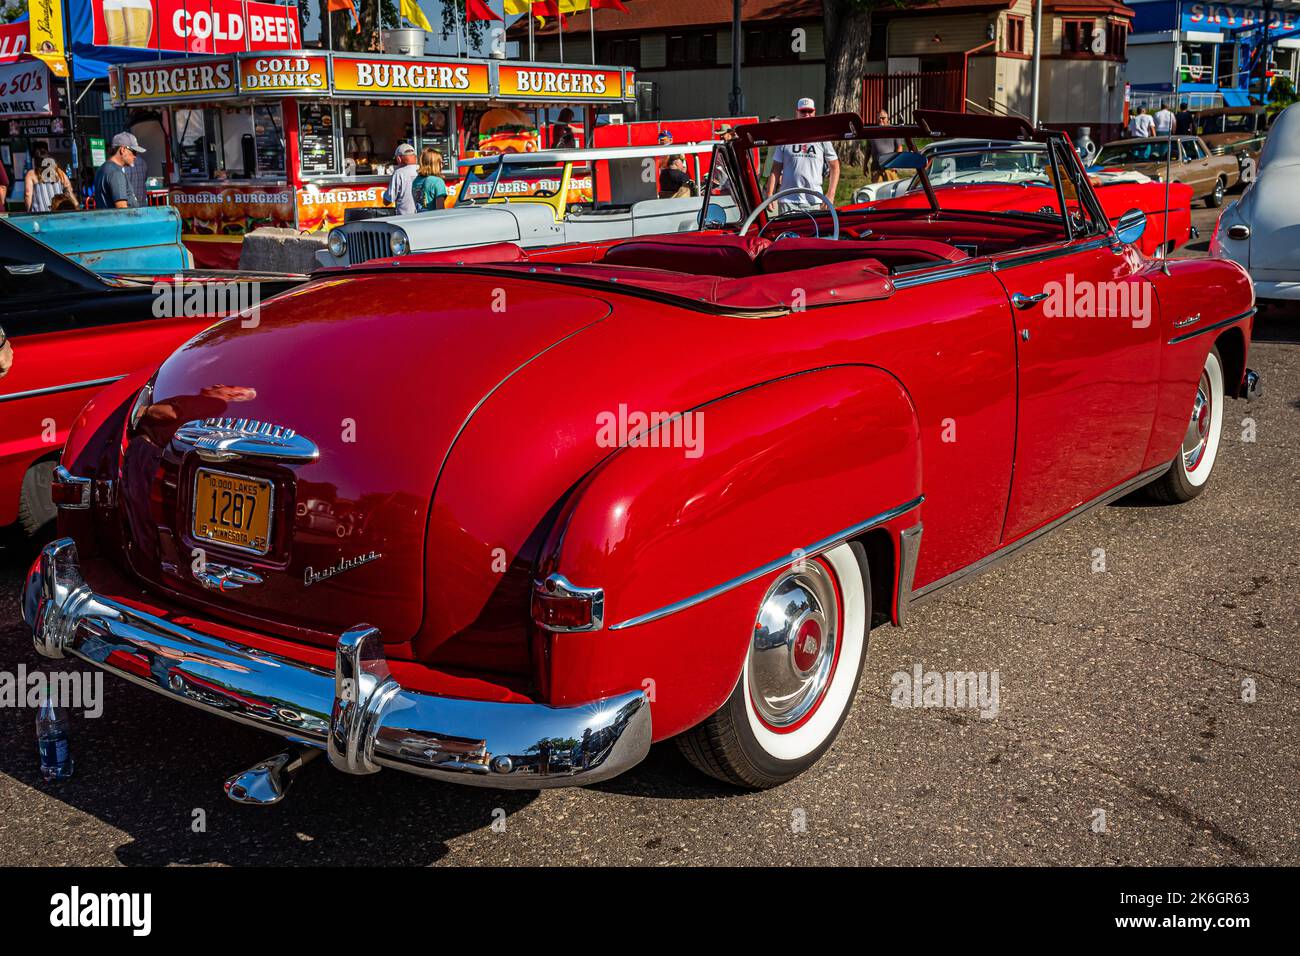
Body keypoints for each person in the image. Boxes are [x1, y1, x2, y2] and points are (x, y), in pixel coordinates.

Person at [765, 97, 840, 209]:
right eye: (803, 111)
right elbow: (776, 168)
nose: (807, 114)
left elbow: (835, 167)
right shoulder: (786, 136)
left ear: (814, 112)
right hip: (787, 201)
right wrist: (769, 194)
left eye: (810, 111)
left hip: (814, 201)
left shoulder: (822, 137)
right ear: (797, 112)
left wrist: (831, 193)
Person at [93, 131, 146, 208]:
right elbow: (122, 210)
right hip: (119, 219)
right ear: (123, 150)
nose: (135, 156)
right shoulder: (116, 173)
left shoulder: (102, 169)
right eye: (134, 152)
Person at [24, 144, 79, 213]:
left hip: (40, 214)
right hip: (58, 211)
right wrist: (77, 206)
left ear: (35, 161)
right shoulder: (59, 172)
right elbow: (69, 189)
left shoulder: (31, 174)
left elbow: (28, 194)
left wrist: (29, 212)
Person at [868, 109, 906, 182]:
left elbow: (899, 148)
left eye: (883, 118)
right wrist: (865, 165)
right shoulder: (872, 132)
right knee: (877, 191)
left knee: (891, 190)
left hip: (890, 169)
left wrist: (895, 163)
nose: (881, 120)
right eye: (879, 118)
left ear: (888, 119)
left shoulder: (893, 131)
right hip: (876, 169)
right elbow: (868, 149)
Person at [384, 143, 419, 216]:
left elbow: (388, 200)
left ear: (399, 159)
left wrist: (385, 196)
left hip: (405, 218)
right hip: (422, 216)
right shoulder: (423, 170)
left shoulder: (399, 173)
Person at [412, 147, 449, 212]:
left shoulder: (416, 180)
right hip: (433, 220)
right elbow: (440, 209)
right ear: (435, 164)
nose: (442, 166)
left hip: (419, 218)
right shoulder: (438, 181)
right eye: (441, 163)